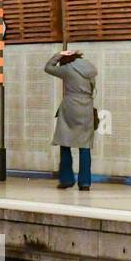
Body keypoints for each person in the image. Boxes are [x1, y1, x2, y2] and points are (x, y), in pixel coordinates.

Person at [45, 49, 98, 191]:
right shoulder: (90, 68)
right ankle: (85, 183)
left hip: (70, 106)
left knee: (65, 142)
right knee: (85, 146)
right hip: (87, 107)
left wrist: (59, 55)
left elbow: (48, 68)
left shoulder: (67, 69)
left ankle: (66, 179)